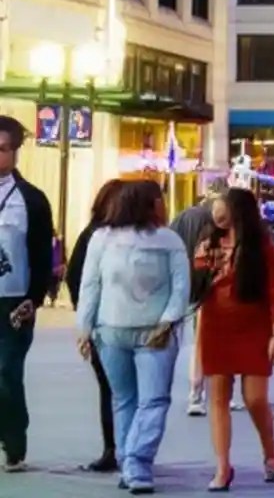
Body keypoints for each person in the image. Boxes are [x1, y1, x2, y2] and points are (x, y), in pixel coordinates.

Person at [75, 180, 189, 495]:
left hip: (131, 330)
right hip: (127, 333)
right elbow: (179, 288)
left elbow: (91, 286)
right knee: (142, 400)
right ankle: (134, 463)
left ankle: (132, 462)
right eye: (160, 200)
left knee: (136, 400)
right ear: (151, 204)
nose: (164, 206)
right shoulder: (167, 240)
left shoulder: (105, 239)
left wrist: (85, 326)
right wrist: (84, 328)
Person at [194, 188, 274, 490]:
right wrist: (205, 264)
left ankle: (270, 450)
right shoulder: (209, 244)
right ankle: (223, 467)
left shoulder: (263, 249)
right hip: (216, 324)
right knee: (218, 398)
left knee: (255, 399)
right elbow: (196, 282)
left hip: (253, 327)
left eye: (221, 206)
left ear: (237, 210)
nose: (215, 212)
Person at [0, 116, 54, 473]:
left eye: (2, 149)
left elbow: (41, 255)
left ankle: (14, 439)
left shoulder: (31, 199)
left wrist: (33, 299)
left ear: (16, 152)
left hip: (13, 300)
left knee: (6, 370)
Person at [65, 179, 126, 473]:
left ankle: (117, 448)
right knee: (115, 388)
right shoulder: (95, 236)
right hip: (106, 325)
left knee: (113, 388)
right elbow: (77, 278)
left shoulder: (103, 235)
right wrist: (87, 318)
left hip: (112, 323)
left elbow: (74, 278)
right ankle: (118, 448)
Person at [170, 189, 238, 416]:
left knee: (203, 346)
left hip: (205, 294)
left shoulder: (191, 226)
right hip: (215, 298)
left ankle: (199, 394)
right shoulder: (217, 237)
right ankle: (209, 394)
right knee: (216, 346)